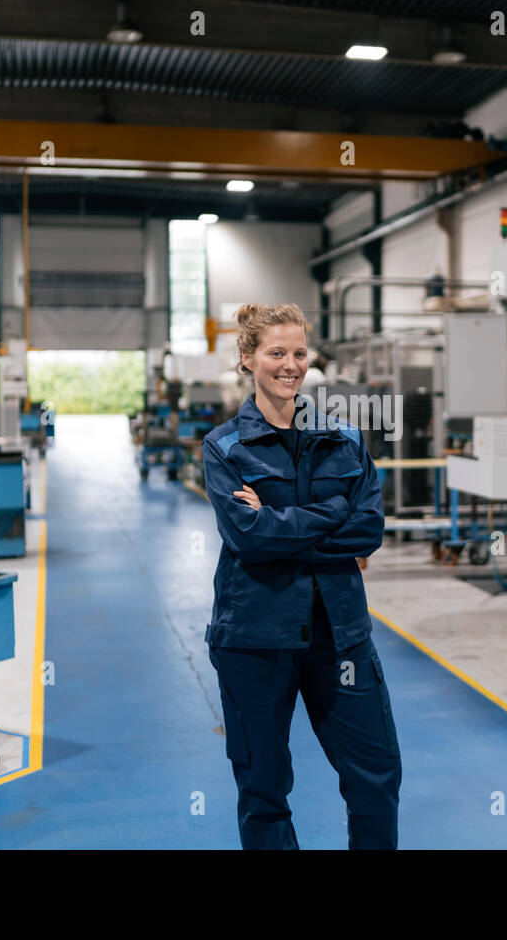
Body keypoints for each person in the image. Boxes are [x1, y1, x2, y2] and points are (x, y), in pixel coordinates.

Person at [201, 302, 402, 850]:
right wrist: (330, 515)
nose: (290, 365)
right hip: (256, 639)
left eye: (298, 353)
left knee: (375, 774)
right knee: (264, 786)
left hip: (341, 637)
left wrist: (276, 522)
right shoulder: (225, 447)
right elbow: (248, 539)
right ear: (248, 359)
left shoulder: (345, 438)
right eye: (276, 353)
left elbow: (368, 530)